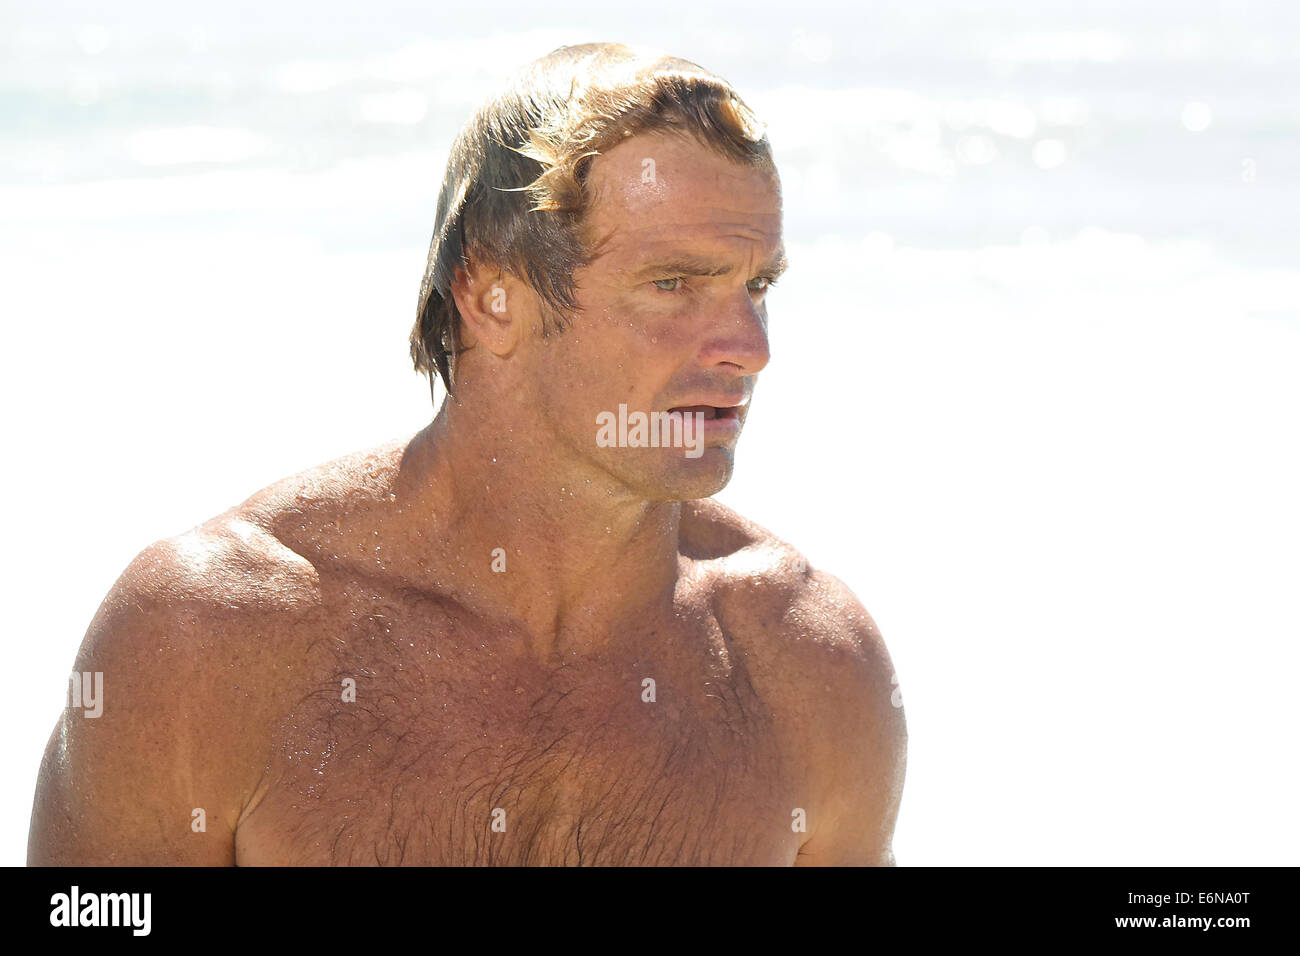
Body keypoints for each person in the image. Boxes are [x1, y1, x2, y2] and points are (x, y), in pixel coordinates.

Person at [28, 42, 906, 866]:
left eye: (756, 286)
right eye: (672, 284)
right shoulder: (210, 640)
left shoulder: (808, 668)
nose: (748, 347)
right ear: (492, 299)